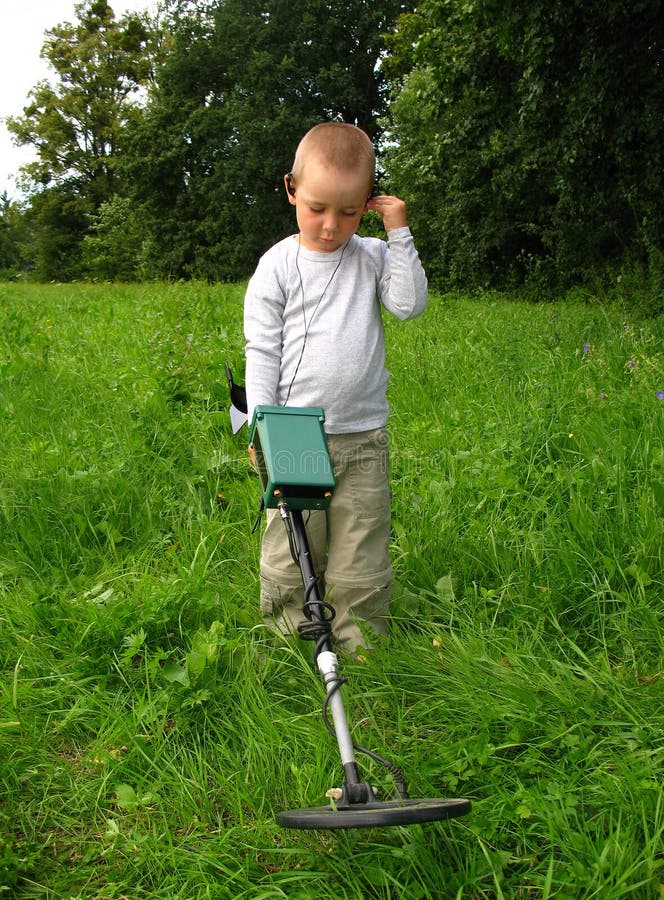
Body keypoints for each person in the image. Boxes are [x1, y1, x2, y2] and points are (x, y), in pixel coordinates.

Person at [244, 122, 427, 652]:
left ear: (368, 203)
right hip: (293, 434)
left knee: (360, 547)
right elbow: (262, 352)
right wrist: (262, 425)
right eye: (318, 208)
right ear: (291, 189)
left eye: (349, 212)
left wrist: (398, 232)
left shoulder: (371, 255)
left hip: (363, 435)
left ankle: (360, 643)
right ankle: (290, 638)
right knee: (293, 543)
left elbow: (409, 305)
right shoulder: (277, 266)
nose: (331, 226)